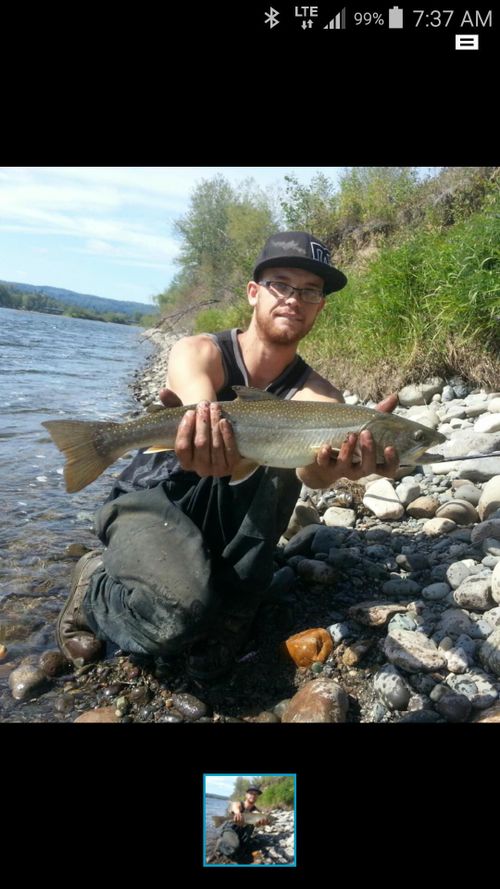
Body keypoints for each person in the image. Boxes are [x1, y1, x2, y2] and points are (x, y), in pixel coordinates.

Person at [56, 231, 399, 679]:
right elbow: (201, 407)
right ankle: (94, 585)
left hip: (228, 514)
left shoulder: (320, 396)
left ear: (320, 306)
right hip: (155, 497)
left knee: (282, 458)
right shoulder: (199, 351)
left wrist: (340, 465)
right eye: (281, 284)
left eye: (310, 291)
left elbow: (311, 474)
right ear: (254, 293)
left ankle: (229, 602)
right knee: (175, 620)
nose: (294, 298)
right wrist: (203, 428)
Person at [214, 786, 266, 860]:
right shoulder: (239, 804)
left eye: (256, 794)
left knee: (243, 848)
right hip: (231, 829)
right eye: (251, 793)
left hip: (243, 832)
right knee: (234, 847)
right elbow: (235, 806)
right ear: (246, 795)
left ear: (257, 796)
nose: (253, 795)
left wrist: (260, 824)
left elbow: (257, 825)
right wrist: (237, 812)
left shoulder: (257, 811)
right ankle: (220, 843)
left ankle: (237, 842)